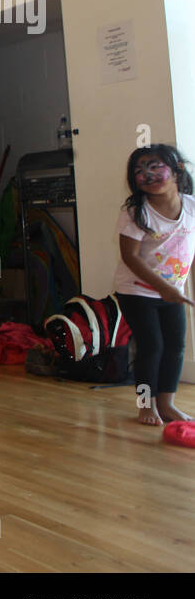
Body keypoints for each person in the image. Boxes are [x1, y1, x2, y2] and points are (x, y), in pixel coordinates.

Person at [113, 145, 195, 426]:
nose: (146, 174)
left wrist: (178, 289)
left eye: (154, 166)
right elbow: (130, 257)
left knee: (176, 346)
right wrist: (164, 288)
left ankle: (167, 405)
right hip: (136, 290)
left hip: (171, 291)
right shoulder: (137, 212)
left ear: (177, 170)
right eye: (139, 170)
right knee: (152, 346)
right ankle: (145, 406)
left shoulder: (192, 206)